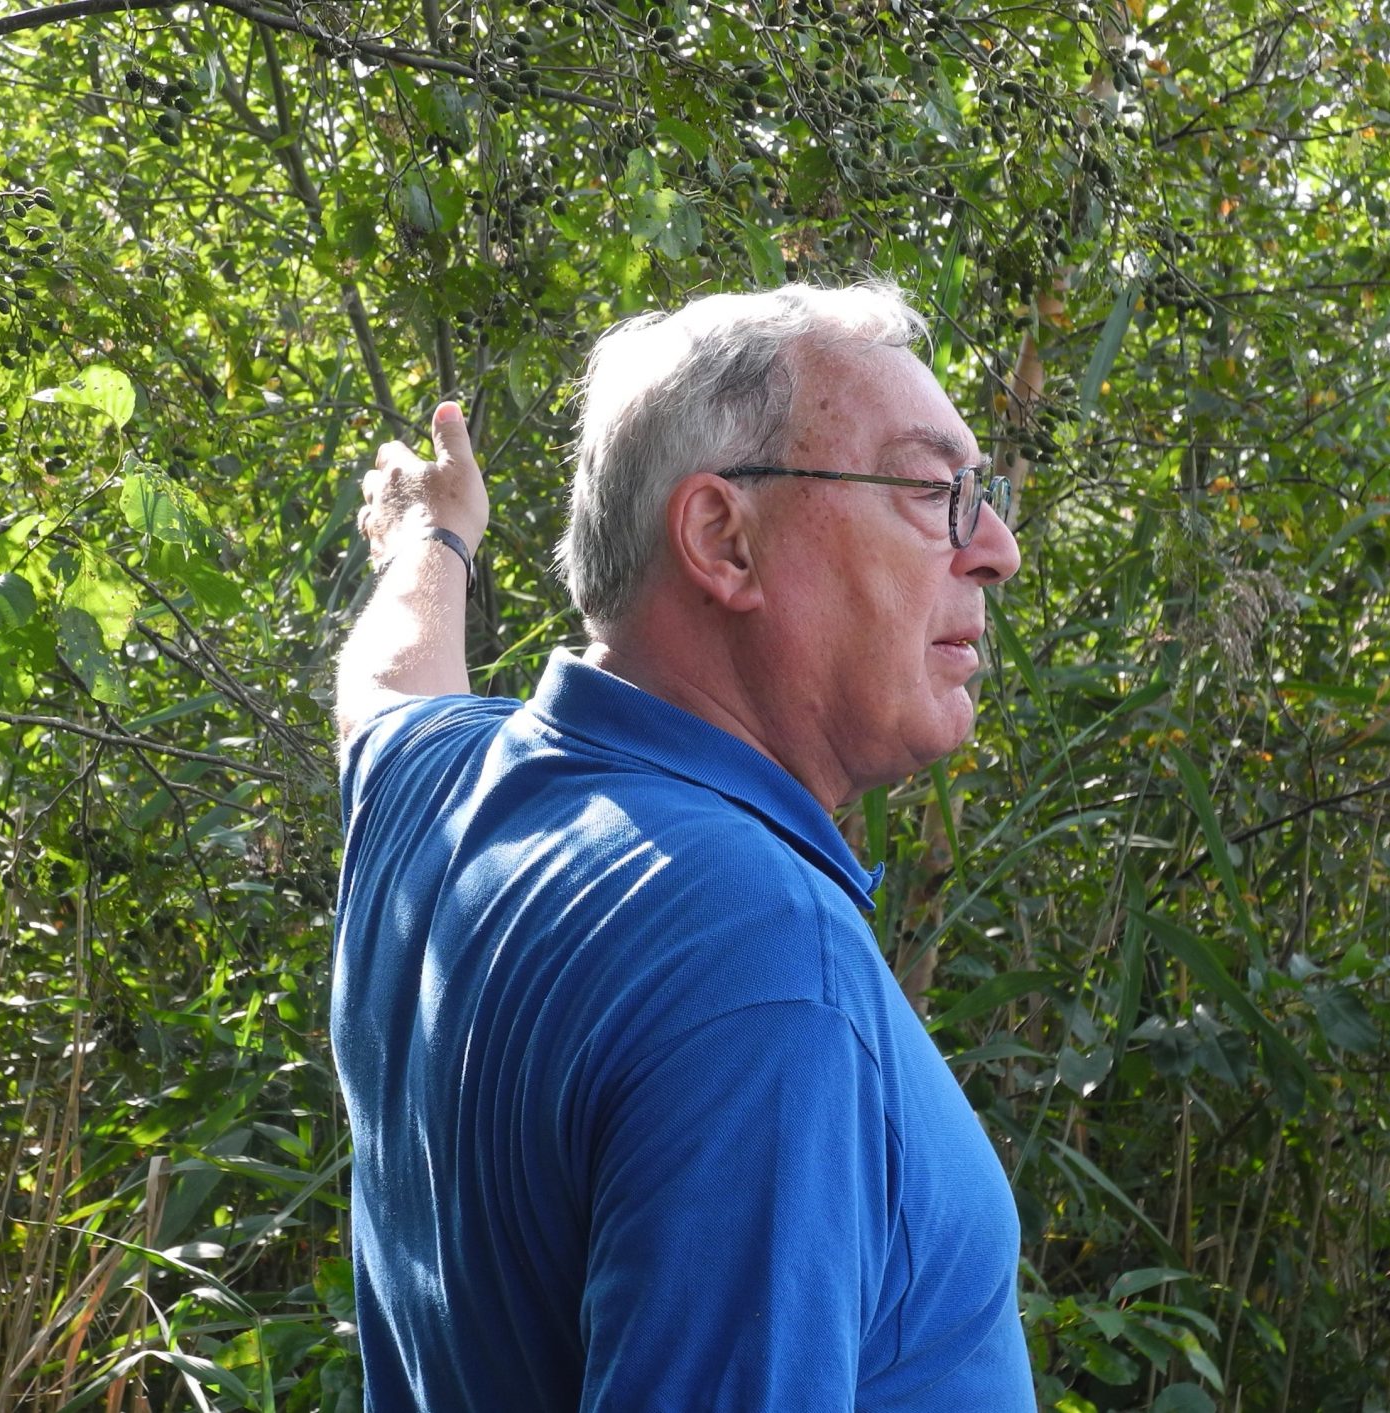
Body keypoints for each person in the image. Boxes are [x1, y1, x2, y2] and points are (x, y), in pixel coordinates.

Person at [331, 282, 1032, 1411]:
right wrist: (436, 536)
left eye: (981, 497)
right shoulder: (764, 968)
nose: (993, 547)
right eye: (927, 490)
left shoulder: (441, 796)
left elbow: (385, 683)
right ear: (723, 539)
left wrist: (433, 539)